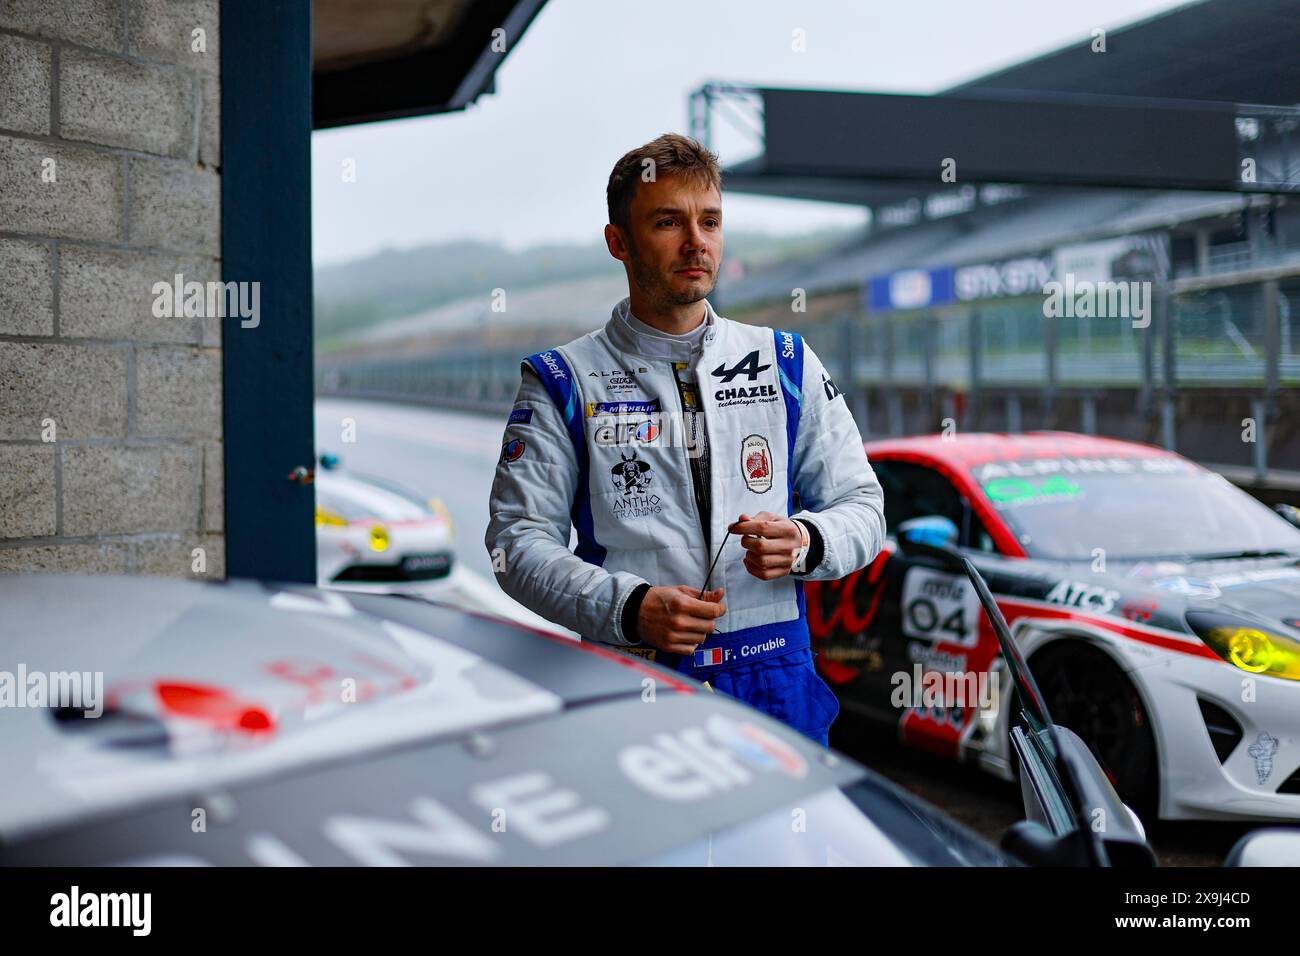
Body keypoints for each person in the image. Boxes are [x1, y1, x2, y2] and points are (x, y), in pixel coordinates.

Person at [485, 133, 886, 745]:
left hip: (775, 682)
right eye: (668, 221)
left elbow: (864, 505)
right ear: (618, 242)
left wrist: (807, 540)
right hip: (633, 676)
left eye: (711, 221)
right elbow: (516, 541)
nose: (696, 241)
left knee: (785, 844)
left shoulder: (783, 360)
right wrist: (627, 606)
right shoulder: (563, 379)